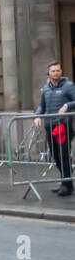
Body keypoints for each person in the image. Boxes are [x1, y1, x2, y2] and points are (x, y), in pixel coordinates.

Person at [34, 60, 75, 196]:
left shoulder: (69, 86)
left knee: (64, 155)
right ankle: (66, 183)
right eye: (53, 71)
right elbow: (42, 106)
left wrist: (67, 106)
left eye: (58, 70)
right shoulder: (45, 88)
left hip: (63, 125)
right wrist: (38, 116)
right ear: (49, 73)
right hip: (49, 125)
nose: (56, 73)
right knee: (55, 155)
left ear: (61, 72)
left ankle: (67, 185)